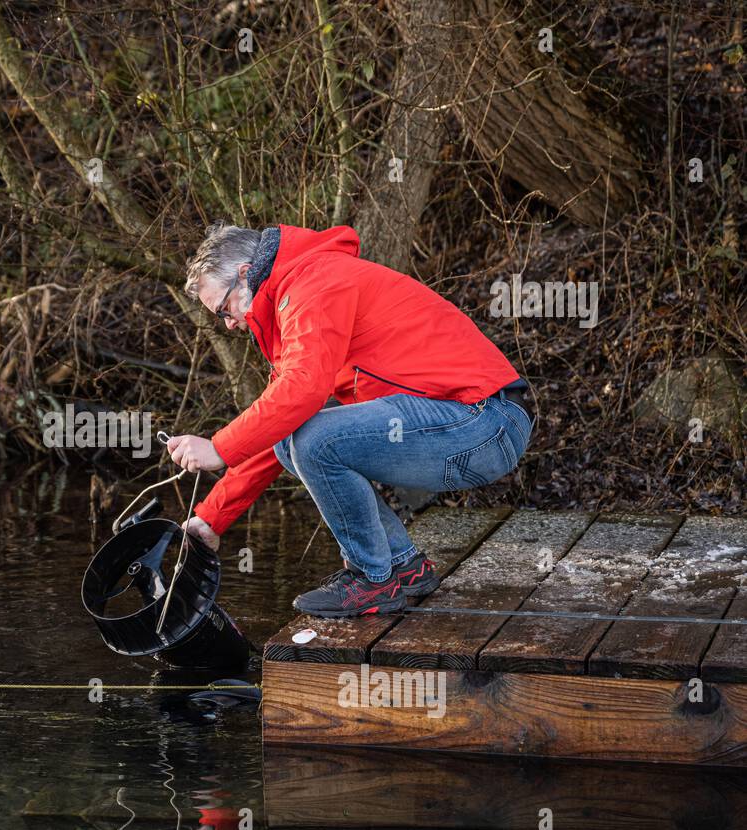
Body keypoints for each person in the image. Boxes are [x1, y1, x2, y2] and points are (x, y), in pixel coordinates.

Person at [167, 222, 533, 618]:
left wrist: (219, 447)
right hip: (471, 425)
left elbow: (302, 392)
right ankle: (402, 566)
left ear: (243, 274)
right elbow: (281, 420)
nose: (229, 324)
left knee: (315, 441)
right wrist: (211, 517)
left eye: (224, 310)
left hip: (485, 424)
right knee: (292, 441)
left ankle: (372, 579)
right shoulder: (298, 294)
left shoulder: (314, 282)